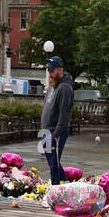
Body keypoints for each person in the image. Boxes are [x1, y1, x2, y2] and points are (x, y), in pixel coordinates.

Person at [40, 55, 75, 186]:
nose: (50, 73)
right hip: (46, 131)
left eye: (52, 70)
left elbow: (64, 116)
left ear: (60, 70)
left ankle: (55, 191)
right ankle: (67, 185)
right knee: (53, 162)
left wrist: (56, 135)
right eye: (49, 70)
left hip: (55, 132)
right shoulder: (53, 86)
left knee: (53, 164)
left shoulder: (65, 88)